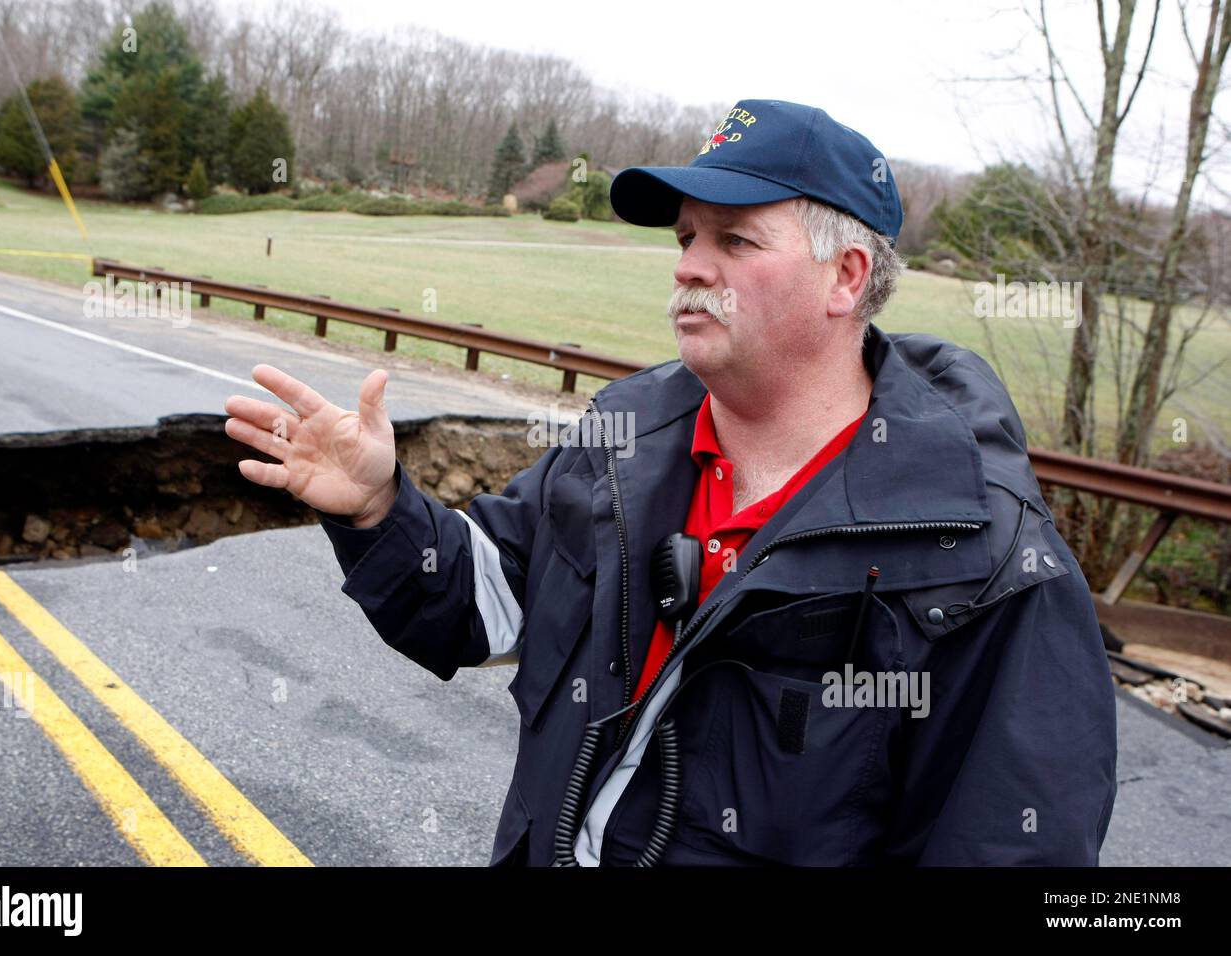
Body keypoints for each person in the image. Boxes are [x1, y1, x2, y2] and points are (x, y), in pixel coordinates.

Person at [223, 98, 1118, 867]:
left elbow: (1012, 845)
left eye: (735, 239)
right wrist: (382, 509)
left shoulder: (984, 553)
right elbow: (484, 600)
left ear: (845, 277)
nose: (690, 264)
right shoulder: (627, 435)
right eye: (688, 236)